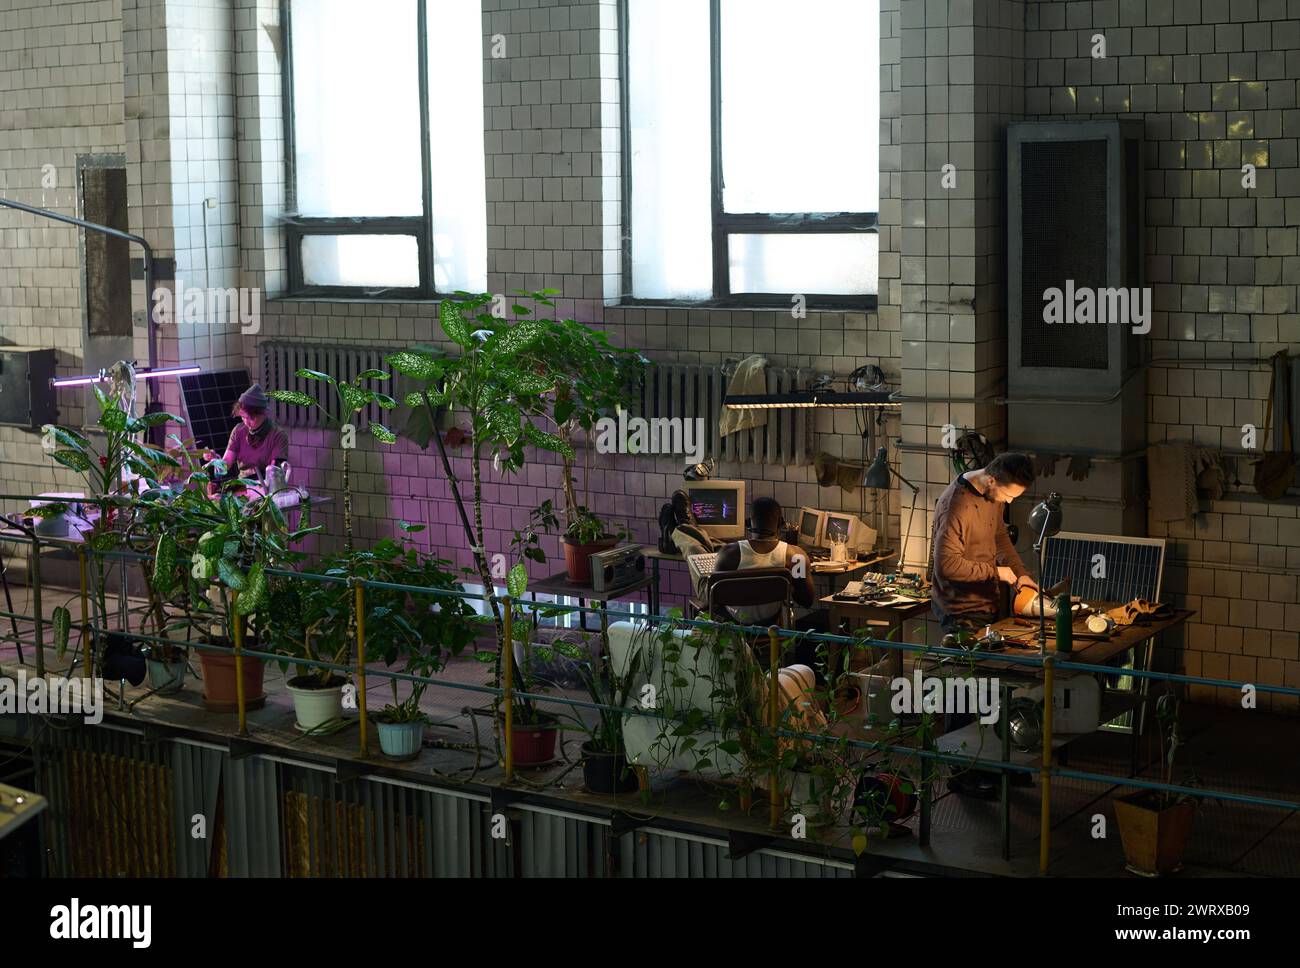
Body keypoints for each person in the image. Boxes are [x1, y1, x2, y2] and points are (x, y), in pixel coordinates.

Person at [929, 452, 1039, 798]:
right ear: (992, 481)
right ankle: (962, 775)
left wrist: (1021, 575)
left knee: (991, 689)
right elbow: (946, 566)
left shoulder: (993, 498)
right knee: (964, 692)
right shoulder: (956, 505)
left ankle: (995, 765)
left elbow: (1000, 538)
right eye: (1008, 496)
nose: (1007, 502)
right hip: (960, 609)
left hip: (988, 604)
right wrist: (996, 573)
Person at [712, 496, 826, 670]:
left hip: (735, 625)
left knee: (704, 584)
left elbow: (715, 601)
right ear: (781, 522)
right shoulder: (795, 556)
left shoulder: (728, 553)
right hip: (771, 624)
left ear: (749, 522)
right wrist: (791, 582)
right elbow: (806, 599)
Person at [207, 384, 289, 482]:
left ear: (263, 413)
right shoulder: (238, 431)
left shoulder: (278, 435)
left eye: (251, 418)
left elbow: (275, 471)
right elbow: (225, 466)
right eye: (243, 417)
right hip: (243, 484)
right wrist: (215, 460)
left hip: (266, 484)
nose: (246, 422)